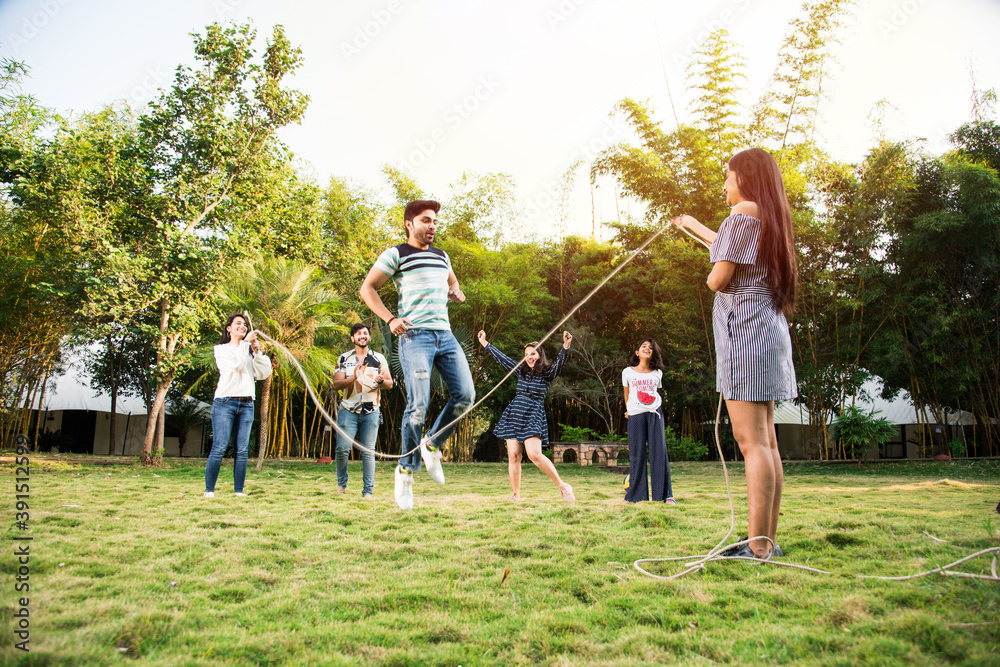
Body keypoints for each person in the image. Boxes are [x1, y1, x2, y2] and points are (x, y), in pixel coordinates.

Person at [671, 147, 798, 559]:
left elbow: (717, 278)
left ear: (745, 177)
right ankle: (766, 541)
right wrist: (694, 226)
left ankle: (758, 547)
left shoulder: (742, 214)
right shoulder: (767, 215)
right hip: (768, 332)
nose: (724, 184)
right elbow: (730, 250)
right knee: (768, 444)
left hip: (745, 336)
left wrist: (710, 258)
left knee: (751, 444)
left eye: (728, 176)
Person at [360, 200, 476, 510]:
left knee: (465, 395)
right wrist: (390, 319)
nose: (433, 226)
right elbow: (368, 288)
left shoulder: (442, 256)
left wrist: (456, 291)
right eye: (426, 220)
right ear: (410, 224)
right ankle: (406, 473)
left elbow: (452, 282)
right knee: (418, 405)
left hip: (445, 335)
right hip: (415, 337)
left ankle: (432, 444)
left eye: (435, 221)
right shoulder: (396, 254)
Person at [477, 330, 576, 502]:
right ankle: (516, 495)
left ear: (539, 355)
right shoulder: (520, 371)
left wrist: (566, 346)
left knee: (534, 454)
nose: (529, 357)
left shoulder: (547, 374)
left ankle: (563, 486)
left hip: (532, 416)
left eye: (532, 354)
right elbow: (503, 359)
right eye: (526, 355)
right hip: (514, 415)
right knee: (514, 456)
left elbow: (560, 363)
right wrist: (485, 343)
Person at [204, 313, 273, 498]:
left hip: (247, 404)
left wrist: (257, 352)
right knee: (219, 446)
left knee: (242, 450)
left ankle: (238, 491)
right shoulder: (221, 350)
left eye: (244, 325)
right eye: (238, 324)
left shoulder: (247, 350)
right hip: (224, 403)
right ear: (229, 328)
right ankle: (209, 490)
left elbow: (263, 373)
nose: (242, 327)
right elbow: (235, 365)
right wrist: (245, 345)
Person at [332, 323, 393, 498]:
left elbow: (390, 383)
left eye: (365, 333)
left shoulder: (379, 358)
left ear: (369, 337)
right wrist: (353, 378)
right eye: (358, 334)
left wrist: (382, 381)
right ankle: (341, 485)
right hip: (348, 410)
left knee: (368, 451)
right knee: (342, 449)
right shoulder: (344, 358)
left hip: (371, 410)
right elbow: (336, 384)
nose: (362, 336)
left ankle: (368, 491)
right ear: (353, 338)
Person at [622, 338, 674, 504]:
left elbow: (655, 393)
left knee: (659, 454)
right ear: (637, 352)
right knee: (637, 455)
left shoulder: (657, 373)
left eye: (650, 347)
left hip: (654, 413)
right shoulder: (627, 372)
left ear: (653, 353)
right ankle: (635, 497)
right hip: (635, 415)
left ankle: (665, 496)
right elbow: (627, 394)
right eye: (643, 346)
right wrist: (629, 411)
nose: (647, 348)